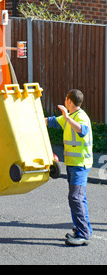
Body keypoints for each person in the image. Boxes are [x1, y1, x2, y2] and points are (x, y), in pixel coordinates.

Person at [45, 89, 93, 246]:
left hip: (80, 166)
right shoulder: (70, 116)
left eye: (66, 99)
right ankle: (83, 230)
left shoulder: (80, 117)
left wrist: (66, 117)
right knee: (79, 199)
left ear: (69, 101)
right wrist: (34, 118)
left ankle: (83, 235)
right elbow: (52, 121)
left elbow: (82, 130)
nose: (65, 101)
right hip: (73, 165)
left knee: (75, 198)